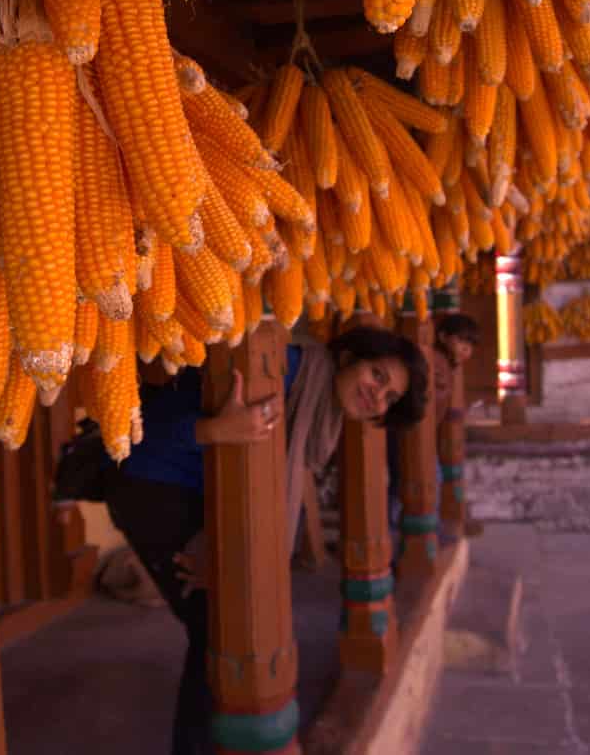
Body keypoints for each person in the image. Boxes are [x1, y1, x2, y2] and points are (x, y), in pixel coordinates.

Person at [102, 326, 429, 755]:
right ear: (349, 356)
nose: (376, 397)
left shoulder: (322, 413)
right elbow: (143, 441)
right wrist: (218, 430)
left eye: (387, 400)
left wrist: (225, 551)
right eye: (378, 376)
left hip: (193, 494)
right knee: (219, 629)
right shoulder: (288, 368)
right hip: (152, 485)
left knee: (219, 627)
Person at [387, 314, 481, 547]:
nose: (466, 350)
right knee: (407, 484)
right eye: (461, 342)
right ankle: (401, 536)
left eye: (470, 346)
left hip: (419, 434)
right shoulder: (435, 362)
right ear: (442, 337)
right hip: (409, 433)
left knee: (409, 482)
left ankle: (419, 531)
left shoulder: (447, 365)